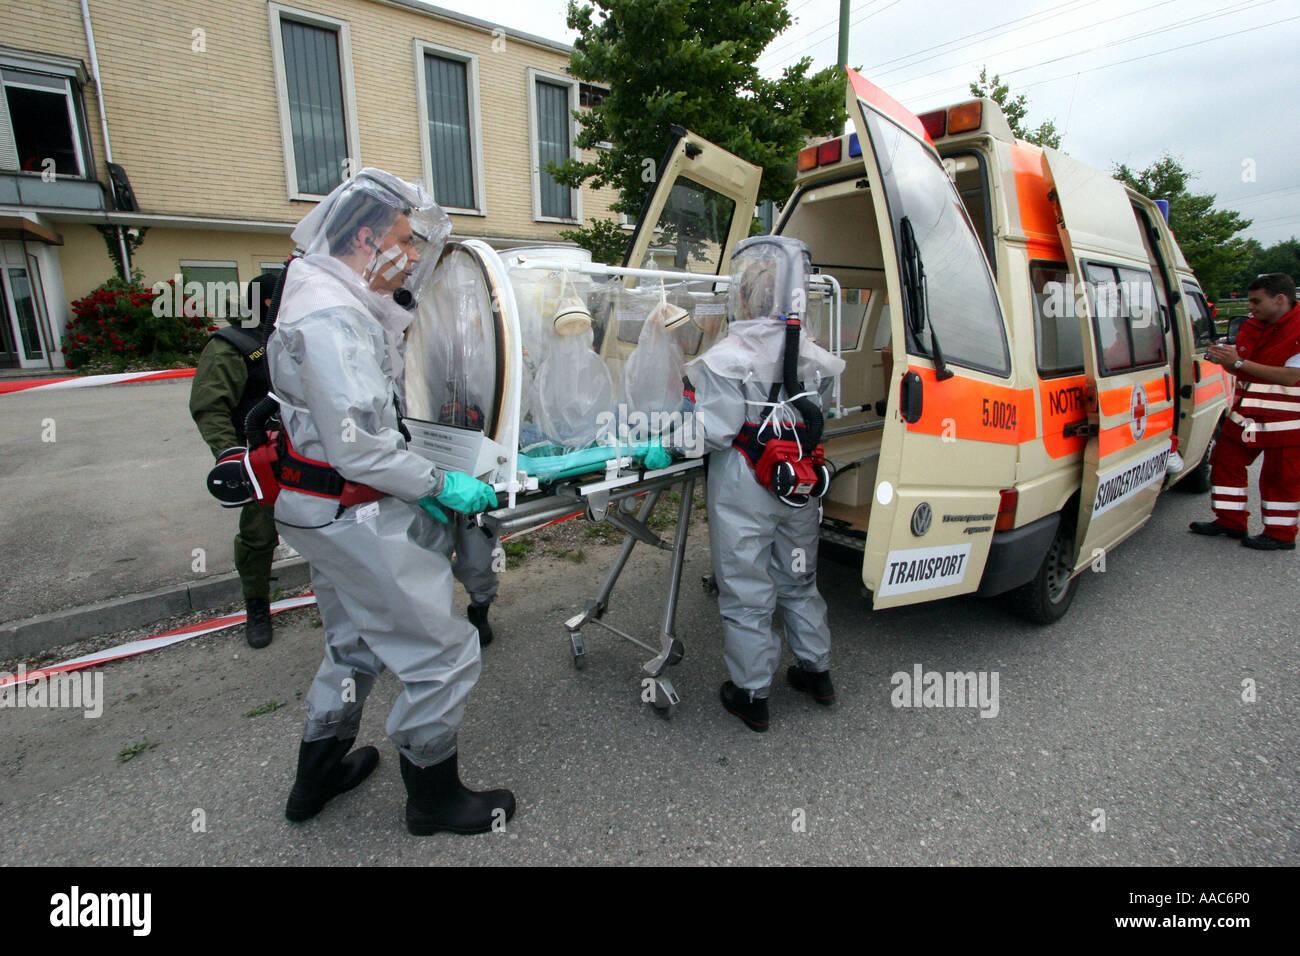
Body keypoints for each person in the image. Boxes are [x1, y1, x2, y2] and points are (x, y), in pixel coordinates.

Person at [269, 167, 515, 834]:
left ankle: (314, 780)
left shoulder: (325, 295)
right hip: (356, 513)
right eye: (404, 240)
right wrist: (440, 485)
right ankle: (434, 799)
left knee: (353, 648)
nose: (411, 257)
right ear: (366, 235)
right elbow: (361, 448)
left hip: (326, 509)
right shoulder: (333, 316)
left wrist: (419, 477)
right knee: (442, 654)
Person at [675, 236, 844, 732]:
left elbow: (717, 430)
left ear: (744, 295)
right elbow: (820, 414)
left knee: (747, 587)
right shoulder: (814, 355)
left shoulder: (728, 356)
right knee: (799, 579)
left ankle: (751, 694)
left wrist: (669, 434)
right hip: (800, 481)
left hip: (745, 486)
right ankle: (817, 672)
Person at [189, 272, 285, 648]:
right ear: (267, 302)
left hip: (310, 454)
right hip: (261, 458)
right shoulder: (230, 345)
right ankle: (257, 606)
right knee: (259, 536)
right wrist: (231, 457)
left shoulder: (295, 336)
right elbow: (210, 407)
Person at [1191, 272, 1300, 551]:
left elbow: (1290, 376)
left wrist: (1238, 364)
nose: (1250, 307)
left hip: (1287, 423)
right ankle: (1230, 521)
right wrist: (1225, 360)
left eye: (1256, 301)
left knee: (1281, 479)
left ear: (1280, 299)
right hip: (1247, 417)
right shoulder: (1253, 326)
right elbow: (1240, 365)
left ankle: (1280, 534)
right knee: (1224, 462)